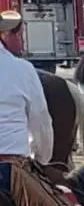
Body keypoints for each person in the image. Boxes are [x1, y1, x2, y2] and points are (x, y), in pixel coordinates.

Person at [0, 10, 53, 164]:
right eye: (16, 33)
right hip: (12, 167)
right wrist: (41, 160)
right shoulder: (24, 69)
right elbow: (41, 122)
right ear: (4, 35)